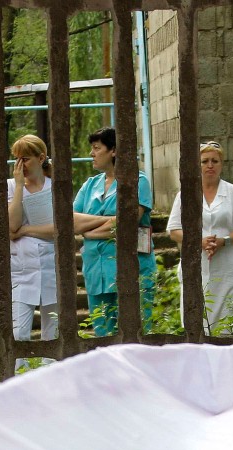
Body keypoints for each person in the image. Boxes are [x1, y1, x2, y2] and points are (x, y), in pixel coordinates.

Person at [7, 134, 113, 352]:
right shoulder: (11, 187)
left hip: (51, 264)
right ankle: (20, 378)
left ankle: (51, 378)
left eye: (25, 159)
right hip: (22, 268)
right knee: (18, 334)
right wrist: (19, 188)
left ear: (41, 158)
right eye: (16, 159)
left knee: (52, 333)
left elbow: (61, 227)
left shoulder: (54, 186)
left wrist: (26, 230)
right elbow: (10, 227)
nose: (20, 165)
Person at [72, 127, 156, 336]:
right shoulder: (91, 184)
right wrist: (109, 221)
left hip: (130, 268)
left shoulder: (138, 180)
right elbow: (71, 222)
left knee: (134, 335)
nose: (92, 153)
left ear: (114, 151)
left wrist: (90, 230)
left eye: (96, 148)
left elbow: (127, 223)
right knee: (103, 337)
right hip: (96, 271)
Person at [166, 141, 233, 333]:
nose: (210, 165)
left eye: (215, 161)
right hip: (197, 265)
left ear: (222, 164)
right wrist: (198, 242)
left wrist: (223, 241)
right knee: (197, 324)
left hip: (229, 267)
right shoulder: (186, 194)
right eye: (205, 161)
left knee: (229, 326)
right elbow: (174, 230)